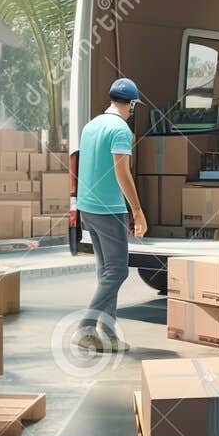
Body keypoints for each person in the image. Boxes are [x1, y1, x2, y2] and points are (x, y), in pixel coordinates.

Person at [74, 77, 148, 352]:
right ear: (130, 103)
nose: (132, 110)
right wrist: (137, 211)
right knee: (117, 271)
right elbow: (122, 171)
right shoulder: (120, 130)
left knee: (107, 272)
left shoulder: (91, 126)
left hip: (87, 207)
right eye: (133, 106)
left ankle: (108, 334)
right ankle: (85, 327)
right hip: (109, 209)